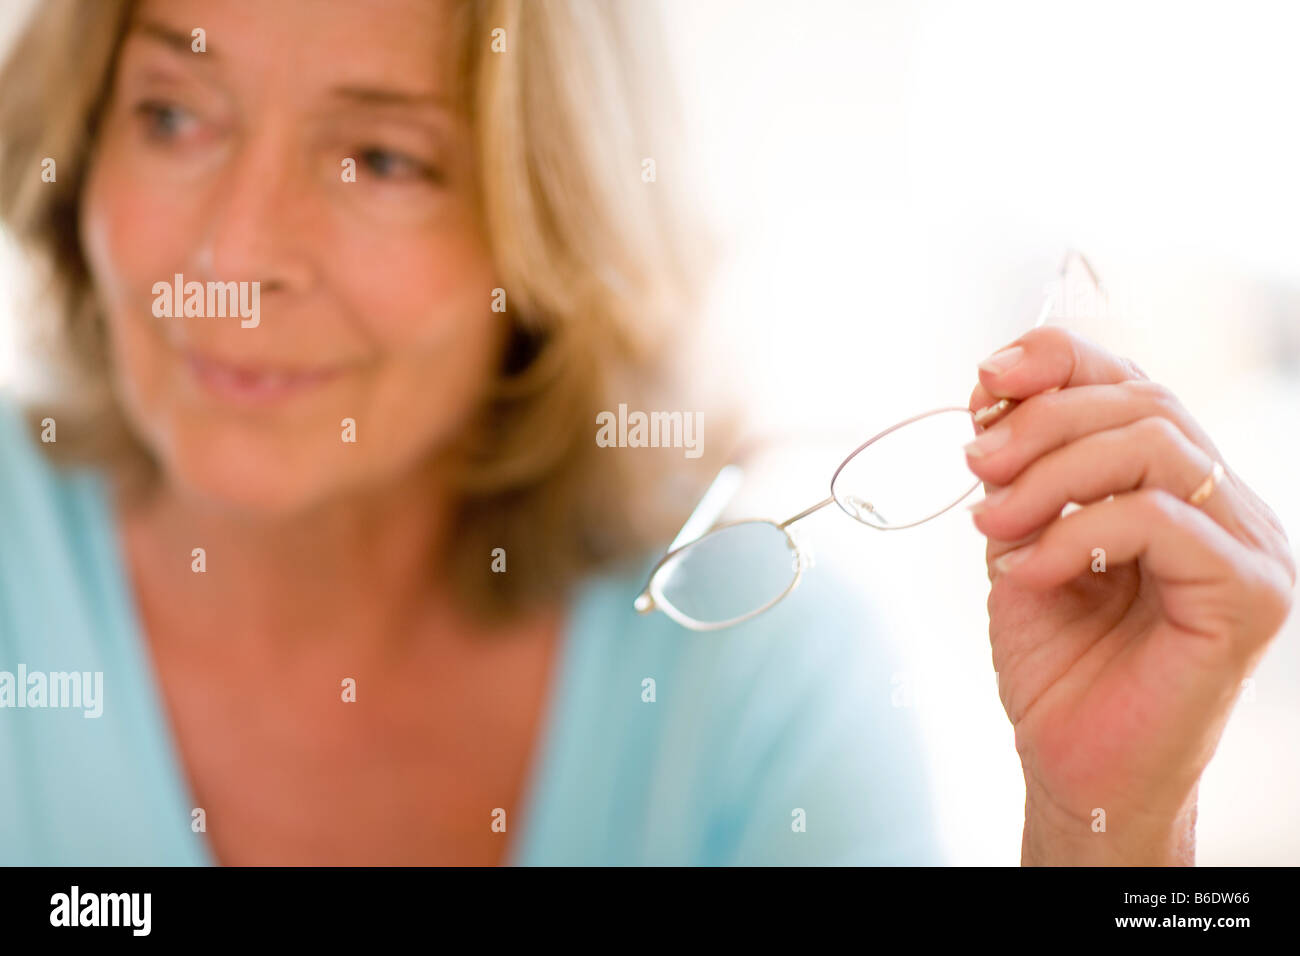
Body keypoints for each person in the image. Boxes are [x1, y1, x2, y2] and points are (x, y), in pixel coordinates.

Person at [0, 0, 1292, 866]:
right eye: (172, 115)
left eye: (382, 160)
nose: (232, 256)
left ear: (545, 226)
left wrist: (1104, 830)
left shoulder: (756, 686)